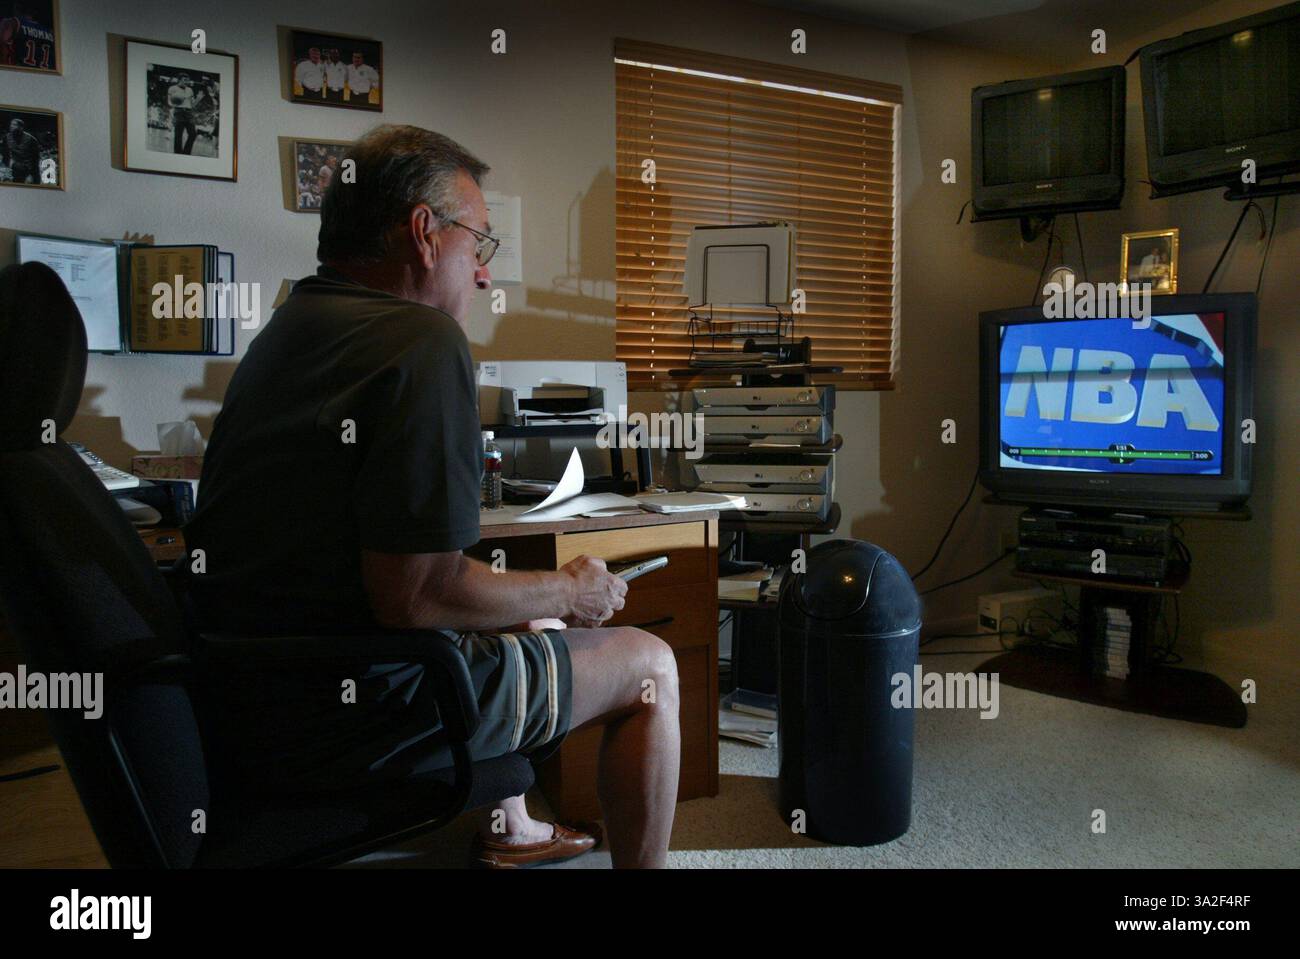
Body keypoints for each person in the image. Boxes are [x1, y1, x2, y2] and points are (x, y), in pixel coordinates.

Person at [185, 125, 681, 869]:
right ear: (424, 232)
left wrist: (542, 601)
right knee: (650, 665)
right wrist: (574, 588)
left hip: (249, 696)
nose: (483, 275)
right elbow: (419, 596)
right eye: (478, 243)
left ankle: (514, 828)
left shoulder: (289, 328)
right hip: (362, 713)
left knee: (532, 614)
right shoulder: (421, 340)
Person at [2, 116, 41, 183]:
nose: (11, 126)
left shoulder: (31, 139)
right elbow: (4, 152)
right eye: (11, 124)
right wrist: (7, 165)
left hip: (29, 166)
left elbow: (36, 158)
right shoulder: (7, 137)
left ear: (21, 127)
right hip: (15, 166)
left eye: (14, 125)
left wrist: (31, 174)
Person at [166, 75, 198, 155]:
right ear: (179, 80)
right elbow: (169, 102)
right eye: (184, 80)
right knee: (178, 135)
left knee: (193, 134)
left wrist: (198, 99)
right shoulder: (172, 88)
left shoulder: (190, 90)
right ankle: (178, 154)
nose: (186, 81)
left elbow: (193, 104)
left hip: (189, 112)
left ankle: (186, 153)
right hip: (179, 111)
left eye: (187, 80)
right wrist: (177, 102)